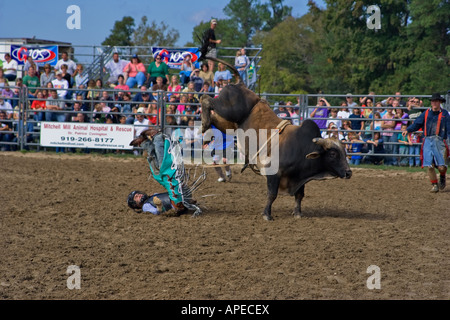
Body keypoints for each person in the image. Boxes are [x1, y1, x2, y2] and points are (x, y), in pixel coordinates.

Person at [402, 93, 449, 192]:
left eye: (436, 101)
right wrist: (408, 130)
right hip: (427, 140)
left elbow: (449, 128)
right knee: (429, 165)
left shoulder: (445, 114)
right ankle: (434, 184)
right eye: (433, 101)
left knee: (441, 167)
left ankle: (442, 175)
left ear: (440, 102)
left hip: (440, 142)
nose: (434, 103)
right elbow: (417, 123)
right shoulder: (426, 113)